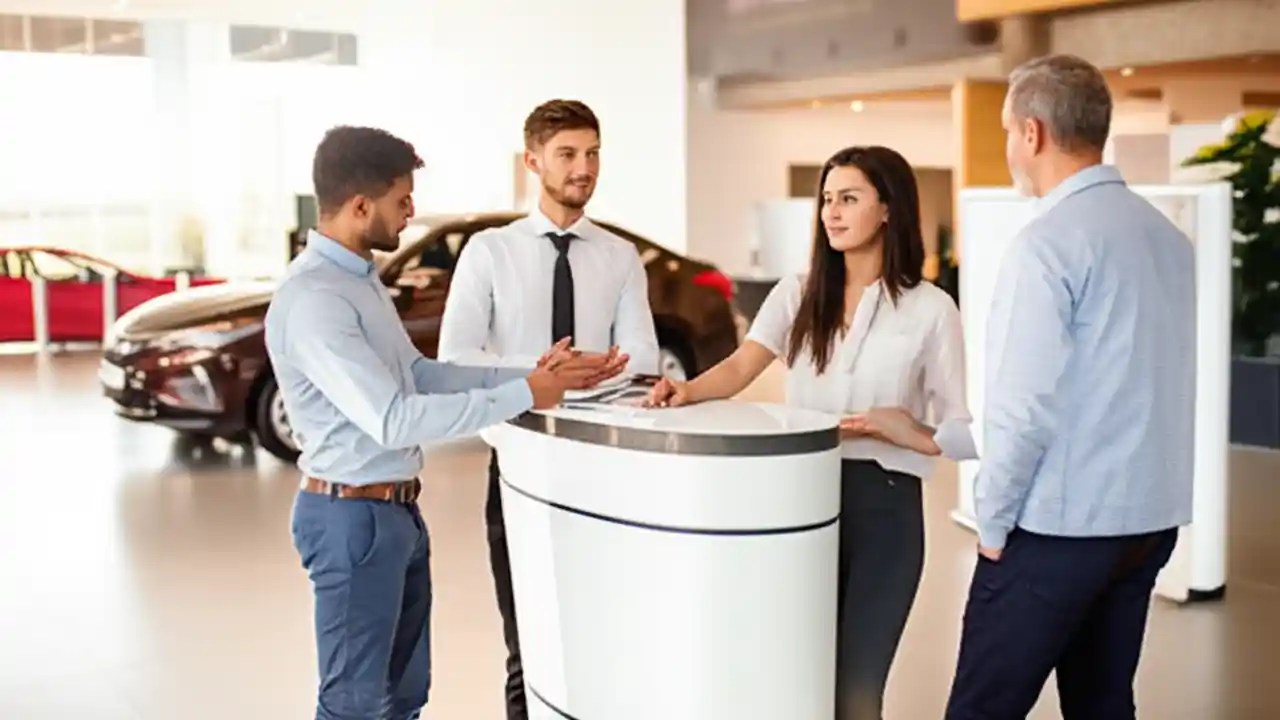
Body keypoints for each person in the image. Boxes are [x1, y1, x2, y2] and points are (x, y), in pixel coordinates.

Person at [265, 125, 627, 720]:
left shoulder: (360, 282)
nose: (411, 212)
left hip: (393, 513)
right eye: (401, 199)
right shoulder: (316, 299)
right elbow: (394, 417)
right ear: (360, 206)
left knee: (405, 695)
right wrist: (522, 395)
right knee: (356, 706)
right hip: (351, 520)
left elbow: (419, 374)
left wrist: (530, 377)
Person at [648, 145, 975, 719]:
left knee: (855, 693)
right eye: (827, 199)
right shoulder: (797, 294)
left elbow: (960, 433)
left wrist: (905, 429)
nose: (832, 212)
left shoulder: (931, 309)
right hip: (802, 500)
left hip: (888, 512)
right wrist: (687, 390)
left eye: (849, 198)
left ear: (889, 208)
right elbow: (740, 367)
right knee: (797, 685)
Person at [944, 54, 1195, 720]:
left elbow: (1025, 411)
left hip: (1059, 531)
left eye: (1006, 133)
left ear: (1031, 133)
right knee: (1103, 704)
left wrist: (993, 523)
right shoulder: (1168, 240)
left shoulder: (1047, 246)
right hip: (1145, 522)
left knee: (980, 710)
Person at [437, 98, 660, 720]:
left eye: (592, 154)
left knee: (602, 638)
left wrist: (587, 373)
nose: (583, 168)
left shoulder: (618, 256)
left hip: (604, 468)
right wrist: (542, 375)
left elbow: (642, 352)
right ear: (533, 161)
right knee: (528, 644)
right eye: (567, 155)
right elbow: (457, 357)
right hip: (518, 468)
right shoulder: (490, 251)